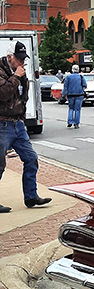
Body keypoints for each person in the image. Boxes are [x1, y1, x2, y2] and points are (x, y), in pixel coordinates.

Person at [0, 41, 51, 212]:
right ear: (10, 57)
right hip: (2, 123)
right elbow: (3, 94)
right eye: (19, 59)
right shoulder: (3, 71)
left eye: (24, 59)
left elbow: (23, 98)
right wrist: (15, 76)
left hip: (17, 124)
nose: (22, 63)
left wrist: (21, 120)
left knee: (31, 158)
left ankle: (31, 196)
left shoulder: (20, 74)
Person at [62, 64, 87, 128]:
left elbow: (65, 87)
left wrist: (64, 95)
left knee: (71, 108)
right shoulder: (81, 77)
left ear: (72, 69)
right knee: (77, 109)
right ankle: (76, 123)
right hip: (79, 94)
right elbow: (85, 85)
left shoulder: (68, 77)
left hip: (70, 94)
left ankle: (70, 121)